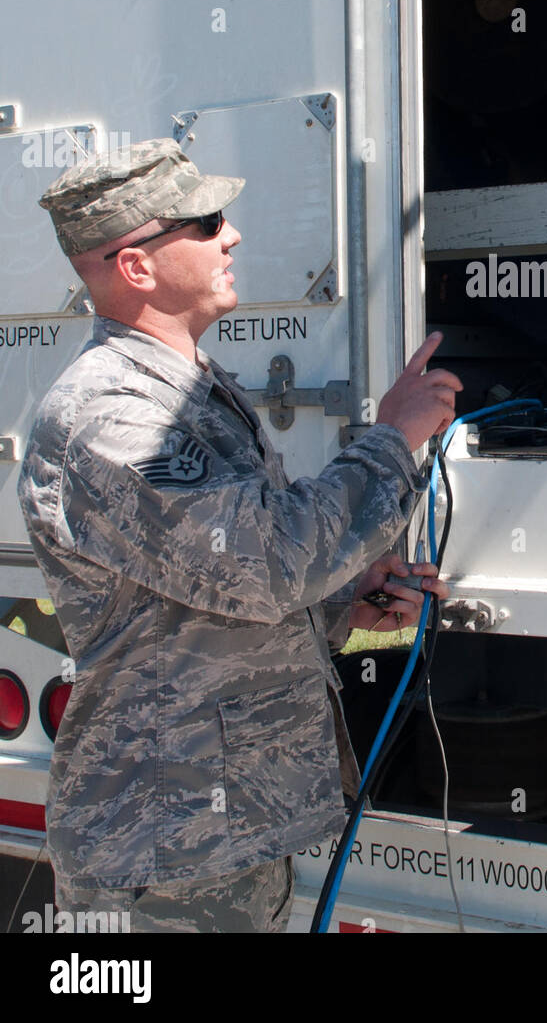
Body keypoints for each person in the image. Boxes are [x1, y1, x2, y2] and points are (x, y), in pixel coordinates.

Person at [17, 137, 463, 932]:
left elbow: (204, 596)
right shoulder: (108, 417)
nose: (233, 235)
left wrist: (343, 603)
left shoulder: (190, 386)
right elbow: (261, 565)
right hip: (159, 859)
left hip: (219, 845)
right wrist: (392, 439)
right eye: (205, 221)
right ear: (137, 267)